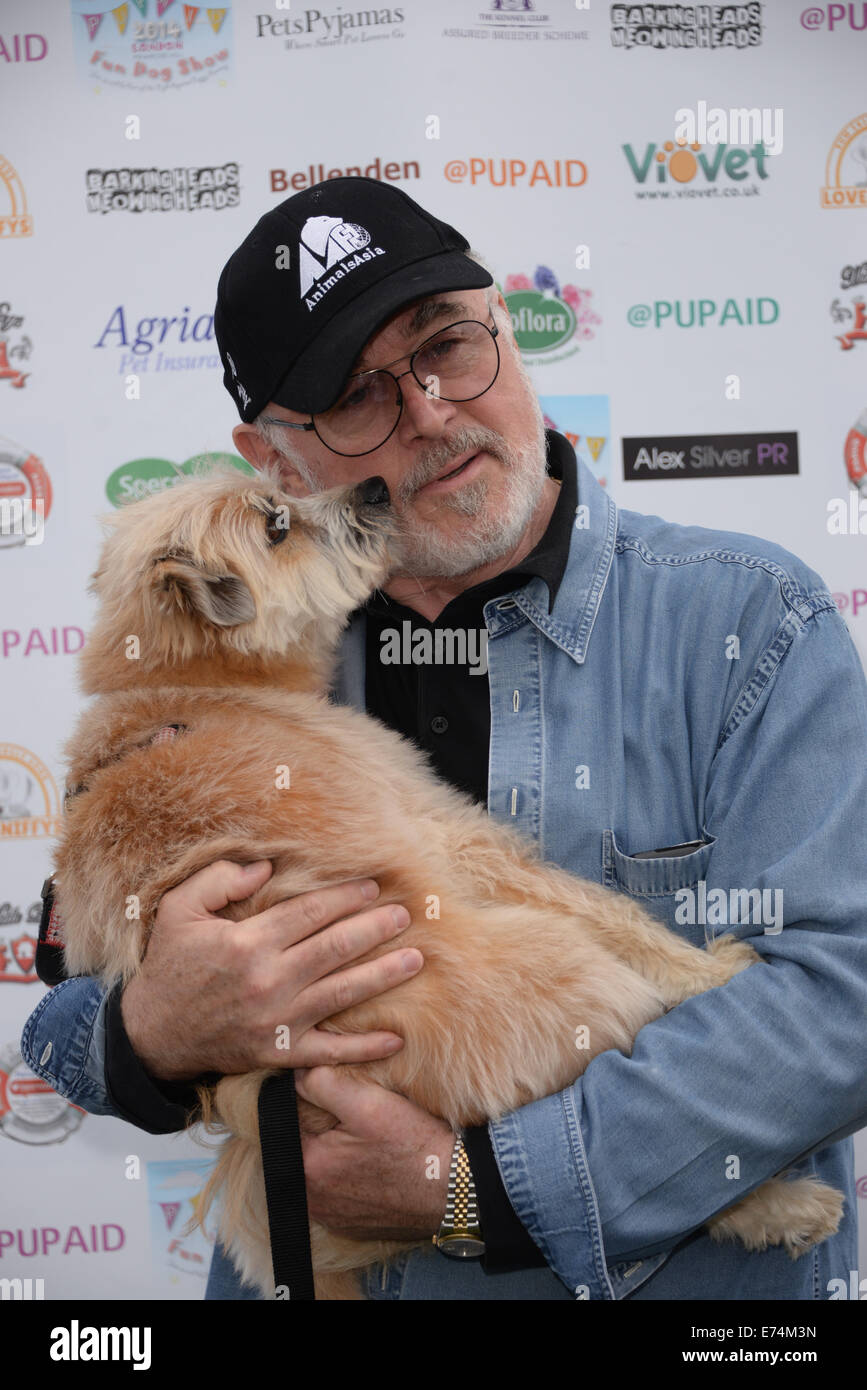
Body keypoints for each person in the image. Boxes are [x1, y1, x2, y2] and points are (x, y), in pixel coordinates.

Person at [23, 177, 867, 1301]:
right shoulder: (239, 666)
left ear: (505, 328)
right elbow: (60, 1004)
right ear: (274, 459)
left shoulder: (751, 621)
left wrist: (476, 1187)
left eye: (448, 345)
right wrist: (154, 1027)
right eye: (358, 397)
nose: (429, 410)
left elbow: (839, 999)